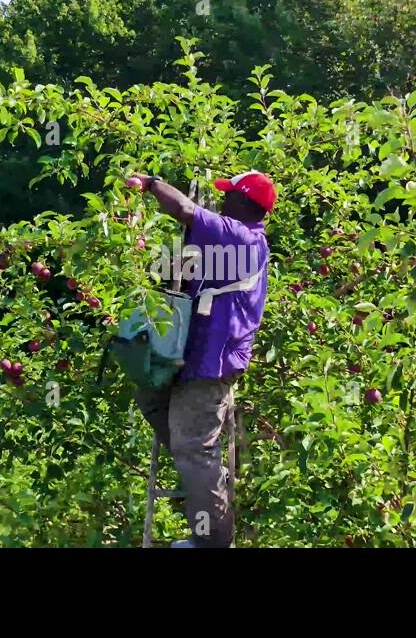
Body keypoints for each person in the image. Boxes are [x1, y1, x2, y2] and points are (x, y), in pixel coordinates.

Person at [124, 170, 275, 548]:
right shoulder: (228, 246)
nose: (221, 201)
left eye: (228, 196)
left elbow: (187, 210)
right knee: (151, 399)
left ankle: (211, 542)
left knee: (195, 449)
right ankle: (205, 478)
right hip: (190, 354)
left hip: (213, 361)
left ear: (244, 204)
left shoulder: (243, 238)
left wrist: (152, 184)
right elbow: (179, 275)